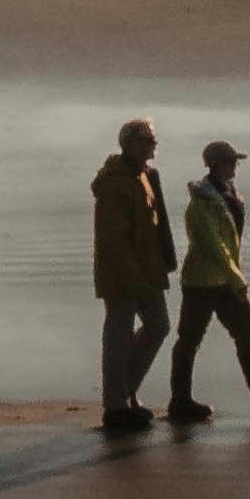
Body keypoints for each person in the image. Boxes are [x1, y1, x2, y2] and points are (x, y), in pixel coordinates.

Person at [167, 135, 250, 424]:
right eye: (230, 162)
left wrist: (233, 276)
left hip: (226, 278)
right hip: (202, 281)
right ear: (215, 165)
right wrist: (236, 278)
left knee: (248, 332)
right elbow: (214, 245)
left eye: (235, 162)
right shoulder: (203, 202)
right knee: (190, 339)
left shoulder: (228, 193)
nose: (235, 166)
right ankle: (180, 400)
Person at [92, 114, 175, 431]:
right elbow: (113, 238)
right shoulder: (115, 182)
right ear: (130, 144)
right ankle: (116, 406)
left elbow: (156, 224)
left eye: (153, 140)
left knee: (158, 326)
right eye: (147, 140)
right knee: (119, 335)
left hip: (148, 269)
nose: (153, 145)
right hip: (121, 274)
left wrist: (163, 260)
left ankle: (125, 392)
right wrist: (133, 275)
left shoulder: (147, 175)